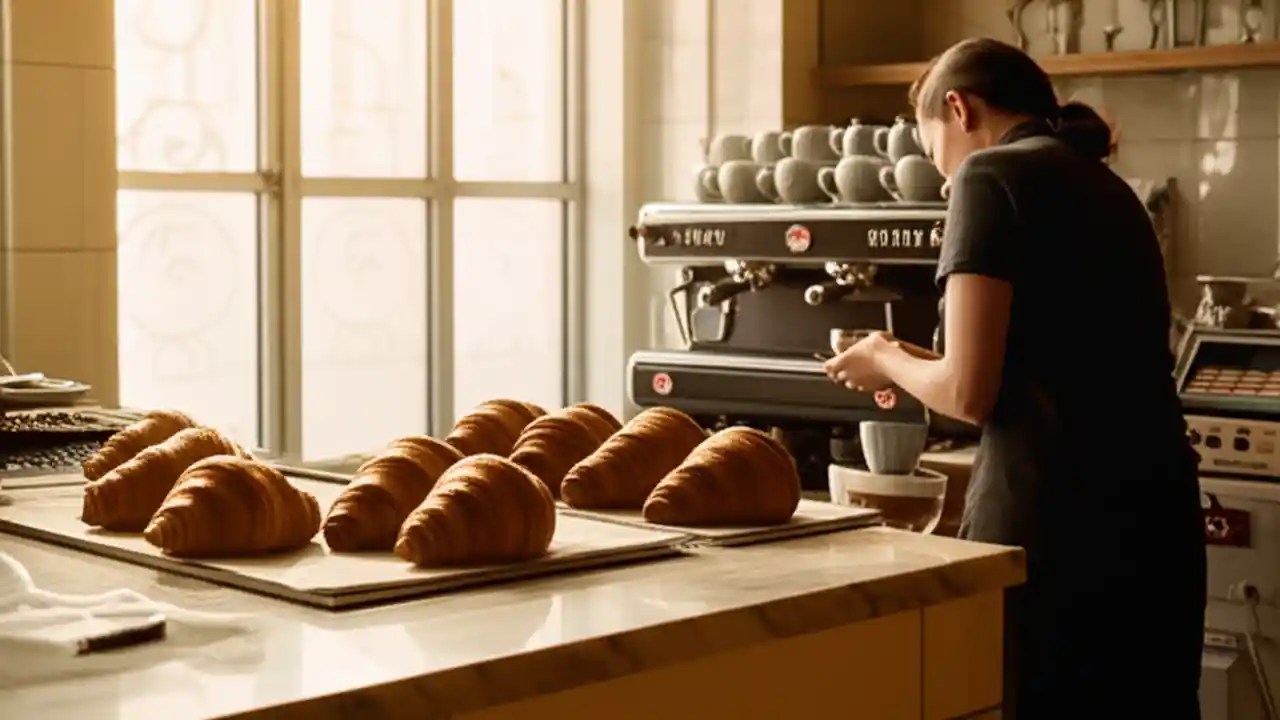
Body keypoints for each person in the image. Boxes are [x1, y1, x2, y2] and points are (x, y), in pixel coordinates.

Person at [823, 37, 1206, 719]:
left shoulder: (989, 176)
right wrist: (918, 360)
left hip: (1056, 535)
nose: (939, 174)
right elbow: (1049, 358)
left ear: (957, 108)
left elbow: (971, 394)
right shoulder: (1105, 183)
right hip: (1157, 530)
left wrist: (881, 355)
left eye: (928, 143)